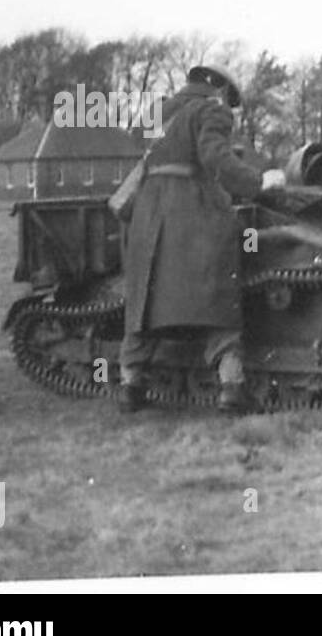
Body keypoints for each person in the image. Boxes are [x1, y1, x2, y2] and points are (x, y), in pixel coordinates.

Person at [119, 66, 286, 415]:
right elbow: (215, 158)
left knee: (144, 303)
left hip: (148, 216)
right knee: (217, 299)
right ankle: (231, 390)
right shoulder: (212, 109)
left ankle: (130, 386)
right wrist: (259, 181)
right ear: (220, 90)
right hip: (192, 214)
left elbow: (140, 144)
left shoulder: (158, 110)